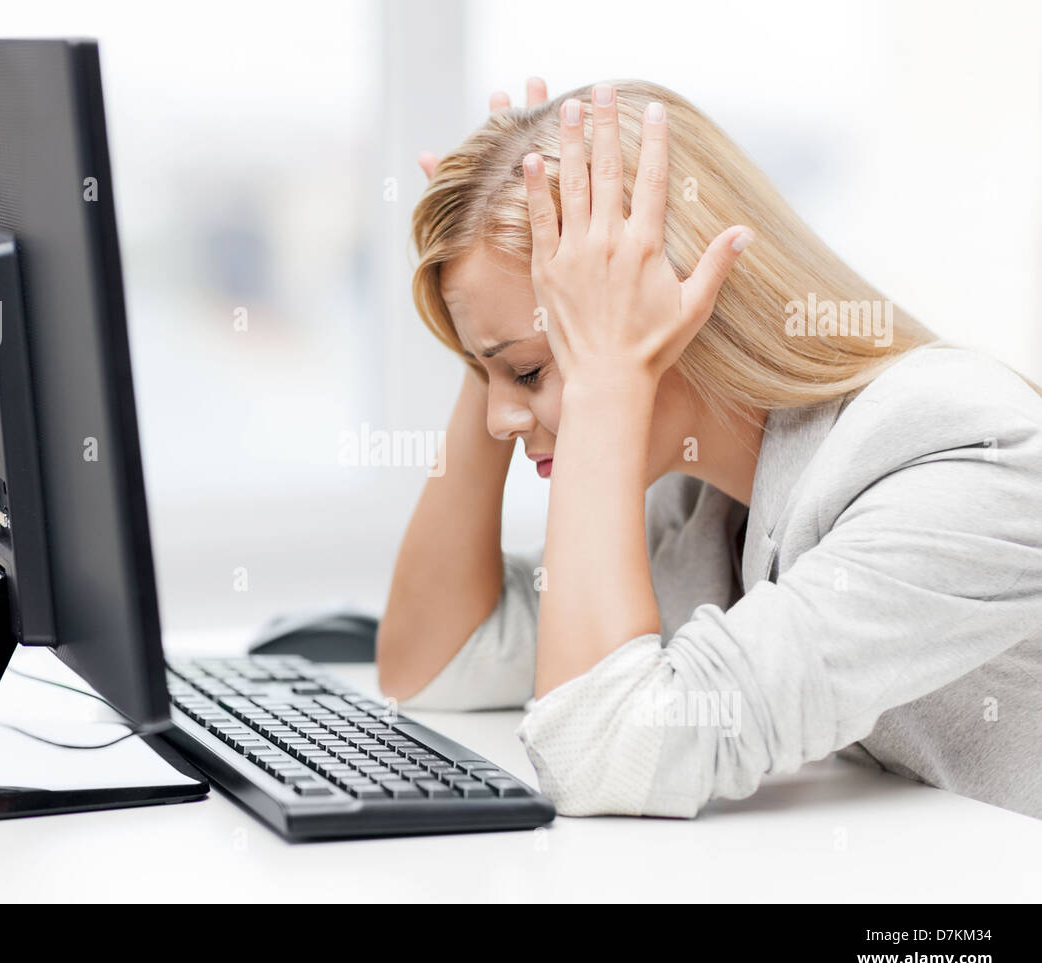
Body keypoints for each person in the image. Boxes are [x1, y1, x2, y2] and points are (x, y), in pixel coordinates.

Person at [376, 78, 1042, 819]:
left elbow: (604, 752)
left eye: (531, 370)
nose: (501, 417)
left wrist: (599, 373)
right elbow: (431, 661)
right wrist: (496, 323)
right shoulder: (702, 498)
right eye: (487, 375)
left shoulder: (954, 452)